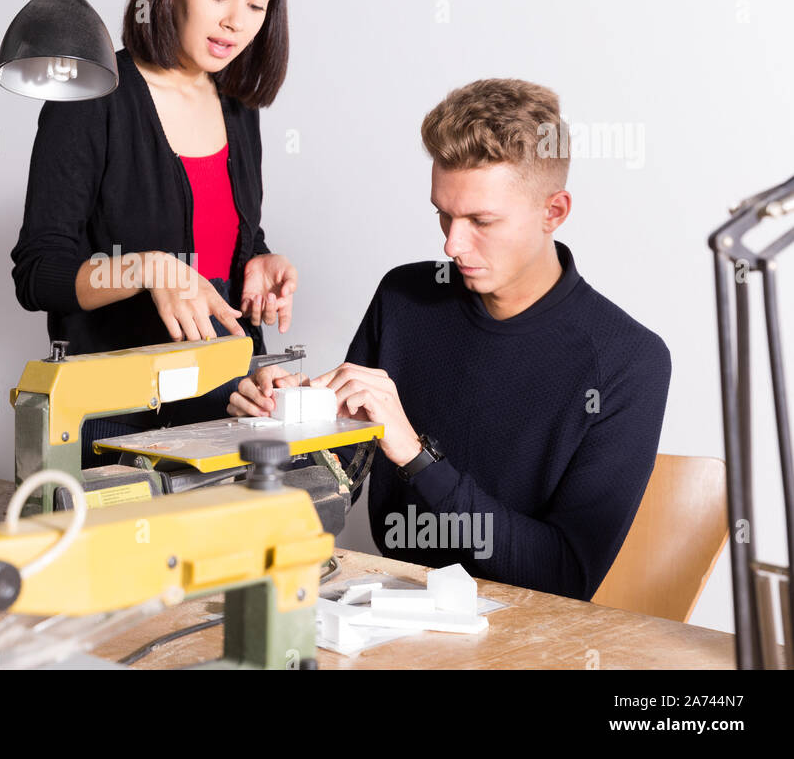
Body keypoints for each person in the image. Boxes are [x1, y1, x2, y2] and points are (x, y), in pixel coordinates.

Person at [228, 79, 671, 601]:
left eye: (481, 221)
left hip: (528, 629)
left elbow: (565, 576)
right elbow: (330, 495)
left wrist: (415, 456)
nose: (452, 244)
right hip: (388, 606)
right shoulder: (406, 297)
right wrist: (279, 428)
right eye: (443, 213)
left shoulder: (627, 362)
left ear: (554, 212)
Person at [12, 0, 298, 460]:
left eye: (258, 5)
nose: (236, 21)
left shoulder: (238, 105)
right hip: (117, 426)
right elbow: (38, 274)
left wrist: (259, 262)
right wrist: (146, 268)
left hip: (226, 407)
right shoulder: (94, 96)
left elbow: (235, 245)